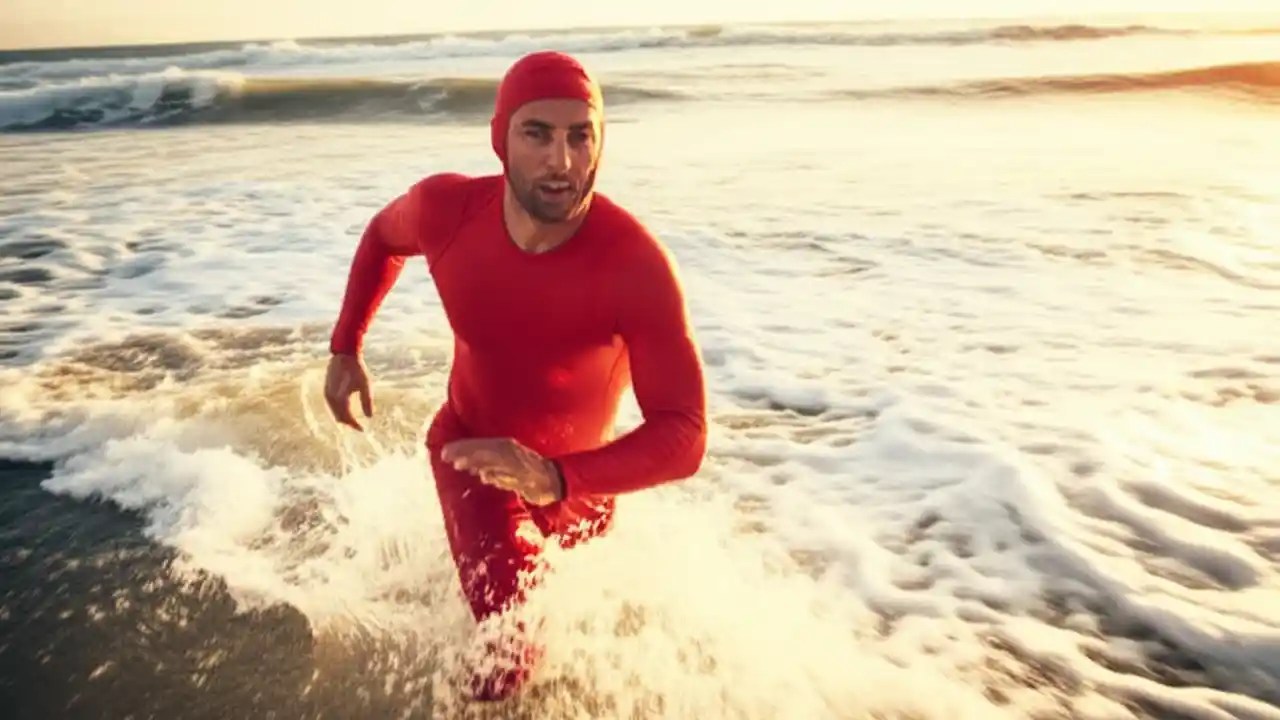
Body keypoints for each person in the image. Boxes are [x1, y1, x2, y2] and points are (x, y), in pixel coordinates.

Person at [322, 50, 708, 701]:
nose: (561, 161)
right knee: (512, 656)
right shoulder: (447, 211)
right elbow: (382, 238)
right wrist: (345, 346)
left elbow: (686, 433)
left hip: (583, 483)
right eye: (538, 134)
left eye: (580, 135)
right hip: (471, 450)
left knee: (573, 636)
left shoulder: (635, 265)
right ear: (501, 138)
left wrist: (557, 478)